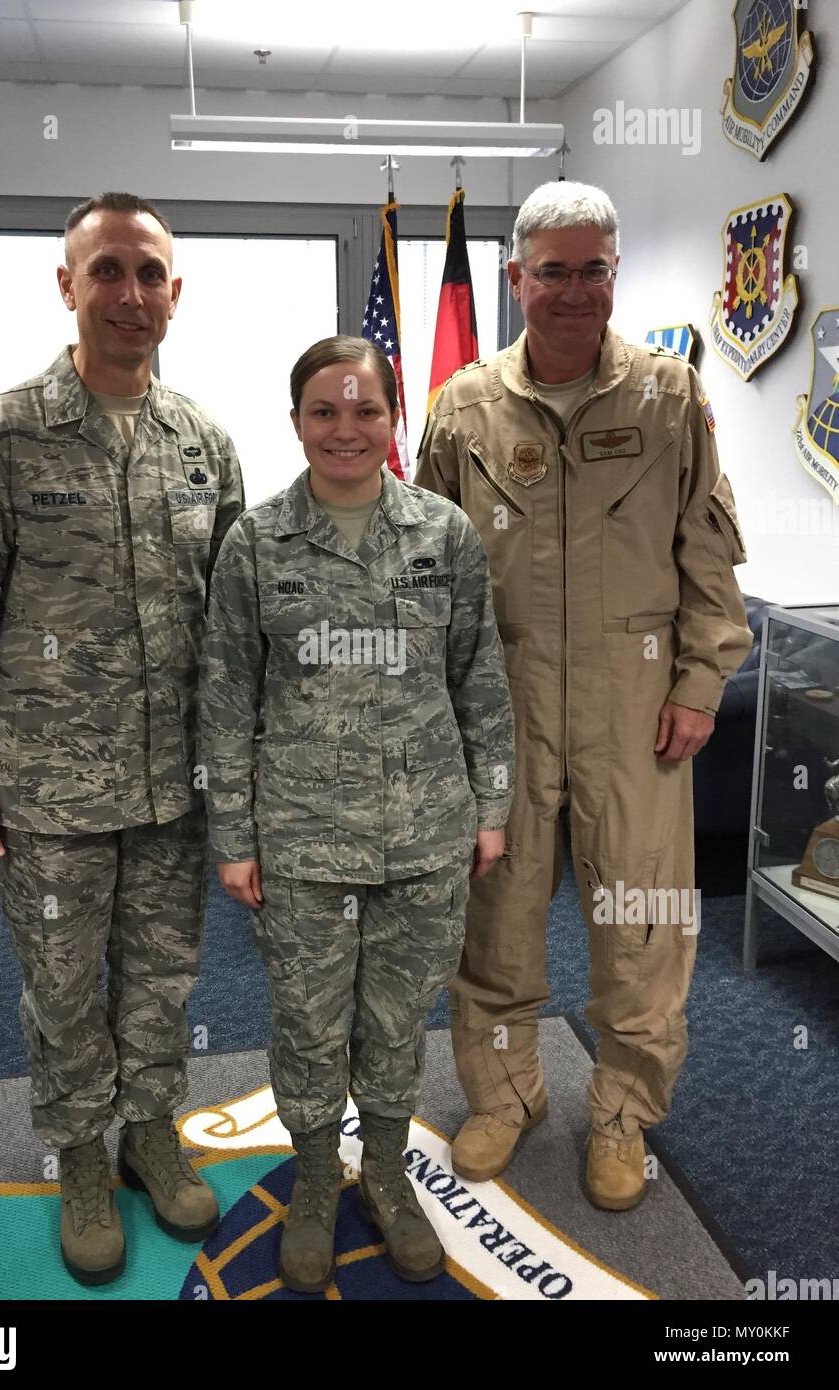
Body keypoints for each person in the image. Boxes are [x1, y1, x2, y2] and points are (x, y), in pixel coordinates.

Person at [0, 191, 244, 1284]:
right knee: (60, 988)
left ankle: (150, 1131)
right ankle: (81, 1156)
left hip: (173, 786)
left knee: (161, 980)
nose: (129, 294)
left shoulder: (205, 444)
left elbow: (233, 631)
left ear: (174, 294)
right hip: (47, 789)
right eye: (107, 272)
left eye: (148, 273)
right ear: (67, 285)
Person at [415, 181, 752, 1211]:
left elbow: (708, 551)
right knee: (497, 919)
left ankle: (619, 1113)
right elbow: (423, 563)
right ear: (515, 278)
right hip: (501, 705)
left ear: (615, 274)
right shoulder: (461, 407)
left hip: (635, 707)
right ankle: (505, 1092)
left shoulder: (666, 396)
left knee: (641, 923)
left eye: (590, 269)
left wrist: (700, 681)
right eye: (550, 271)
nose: (570, 291)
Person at [198, 335, 514, 1292]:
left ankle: (383, 1172)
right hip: (300, 844)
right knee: (305, 1025)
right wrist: (233, 837)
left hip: (425, 835)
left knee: (391, 1023)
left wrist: (491, 806)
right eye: (325, 412)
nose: (346, 430)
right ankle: (313, 1182)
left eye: (365, 410)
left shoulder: (445, 533)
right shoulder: (256, 543)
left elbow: (481, 679)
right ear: (296, 421)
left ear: (393, 417)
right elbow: (225, 697)